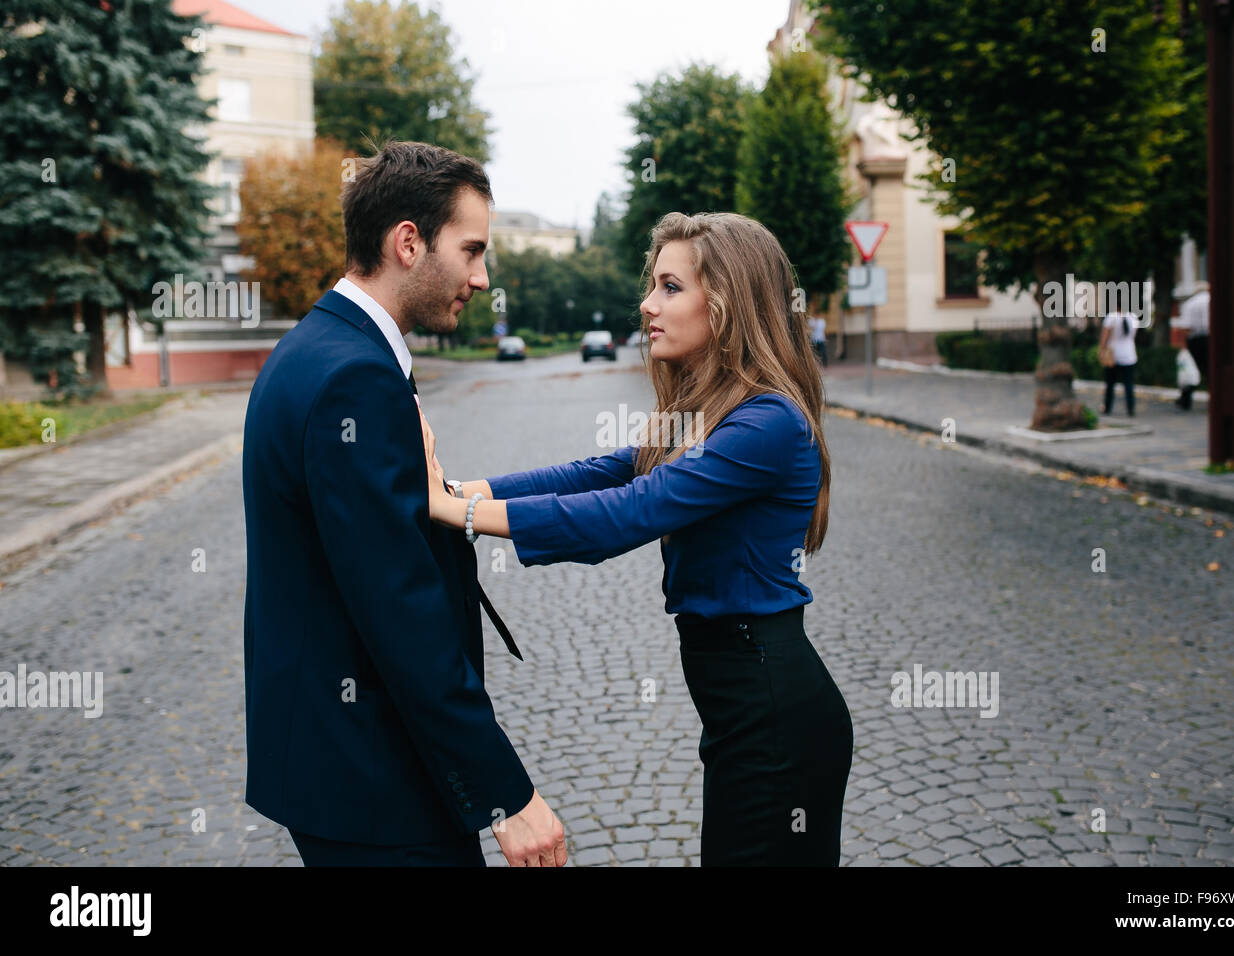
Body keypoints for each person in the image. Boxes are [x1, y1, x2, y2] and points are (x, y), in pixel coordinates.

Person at [425, 211, 854, 866]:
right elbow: (601, 472)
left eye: (671, 287)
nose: (649, 305)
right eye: (653, 286)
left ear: (730, 301)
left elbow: (628, 512)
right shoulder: (712, 414)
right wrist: (464, 492)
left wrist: (458, 515)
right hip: (745, 713)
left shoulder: (767, 422)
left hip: (775, 719)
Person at [241, 141, 566, 867]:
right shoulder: (355, 376)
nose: (483, 279)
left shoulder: (314, 348)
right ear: (408, 242)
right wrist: (505, 795)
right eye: (472, 250)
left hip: (339, 767)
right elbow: (400, 610)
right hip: (375, 785)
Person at [1174, 280, 1210, 411]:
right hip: (1210, 339)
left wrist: (1183, 346)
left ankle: (1185, 399)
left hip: (1195, 339)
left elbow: (1185, 327)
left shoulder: (1189, 303)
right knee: (1209, 370)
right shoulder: (1213, 301)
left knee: (1192, 370)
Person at [1099, 309, 1139, 417]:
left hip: (1113, 355)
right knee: (1129, 384)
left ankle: (1107, 407)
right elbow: (1133, 336)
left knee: (1110, 384)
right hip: (1129, 354)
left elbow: (1105, 336)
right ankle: (1130, 408)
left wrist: (1102, 350)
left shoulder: (1111, 317)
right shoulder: (1133, 317)